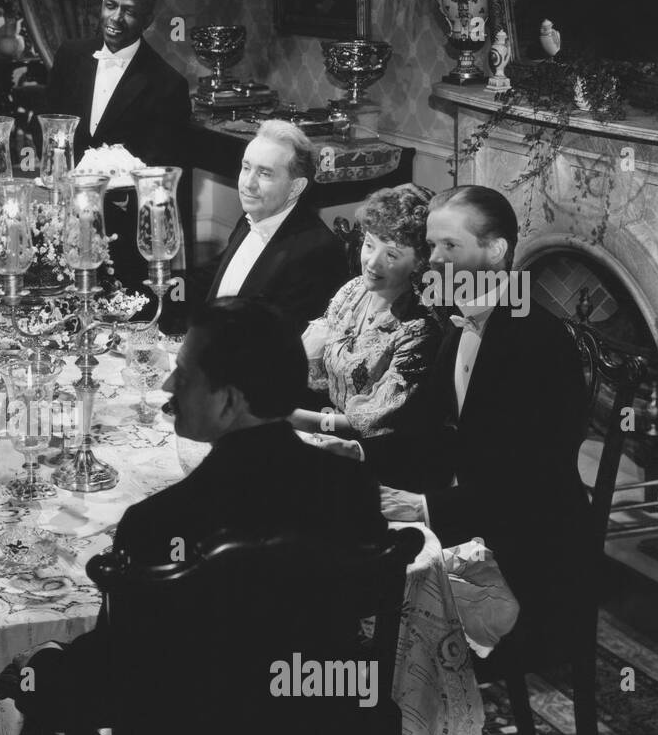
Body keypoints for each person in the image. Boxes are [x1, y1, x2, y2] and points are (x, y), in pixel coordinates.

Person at [0, 300, 388, 735]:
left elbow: (119, 670)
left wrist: (39, 673)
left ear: (229, 401)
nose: (168, 386)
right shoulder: (347, 488)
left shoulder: (161, 523)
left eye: (183, 373)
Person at [323, 185, 595, 675]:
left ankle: (393, 730)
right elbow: (428, 436)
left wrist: (424, 507)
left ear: (495, 251)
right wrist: (355, 454)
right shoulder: (459, 324)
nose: (433, 260)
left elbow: (531, 482)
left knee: (352, 608)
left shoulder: (539, 344)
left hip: (529, 558)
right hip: (474, 522)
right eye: (431, 246)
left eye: (450, 246)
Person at [42, 0, 192, 295]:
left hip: (125, 232)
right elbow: (48, 126)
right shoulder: (70, 55)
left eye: (130, 11)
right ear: (102, 4)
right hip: (66, 216)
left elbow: (160, 171)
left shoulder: (168, 85)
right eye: (111, 5)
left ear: (147, 20)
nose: (116, 17)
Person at [290, 183, 442, 439]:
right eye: (370, 245)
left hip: (372, 451)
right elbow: (305, 365)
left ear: (419, 262)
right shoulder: (353, 291)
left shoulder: (419, 328)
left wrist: (290, 418)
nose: (372, 263)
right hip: (320, 422)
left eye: (391, 255)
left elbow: (365, 425)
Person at [182, 120, 346, 337]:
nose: (248, 183)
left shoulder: (318, 251)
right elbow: (210, 279)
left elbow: (279, 342)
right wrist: (158, 294)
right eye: (246, 167)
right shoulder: (252, 217)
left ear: (296, 187)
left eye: (265, 174)